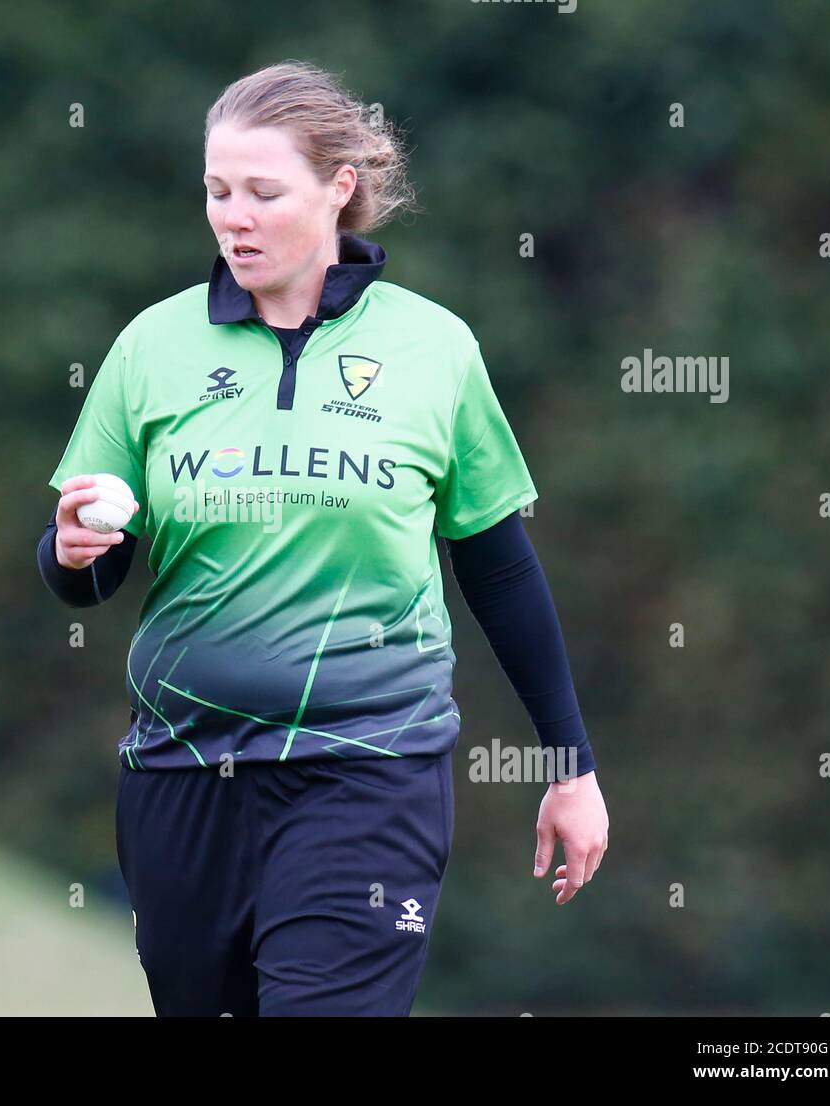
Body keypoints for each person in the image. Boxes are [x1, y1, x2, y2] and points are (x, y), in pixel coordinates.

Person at [39, 60, 609, 1016]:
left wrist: (570, 762)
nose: (234, 218)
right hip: (185, 771)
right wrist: (71, 554)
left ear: (339, 188)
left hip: (370, 769)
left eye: (264, 193)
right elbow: (87, 575)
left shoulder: (435, 349)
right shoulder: (151, 348)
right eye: (218, 191)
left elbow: (499, 568)